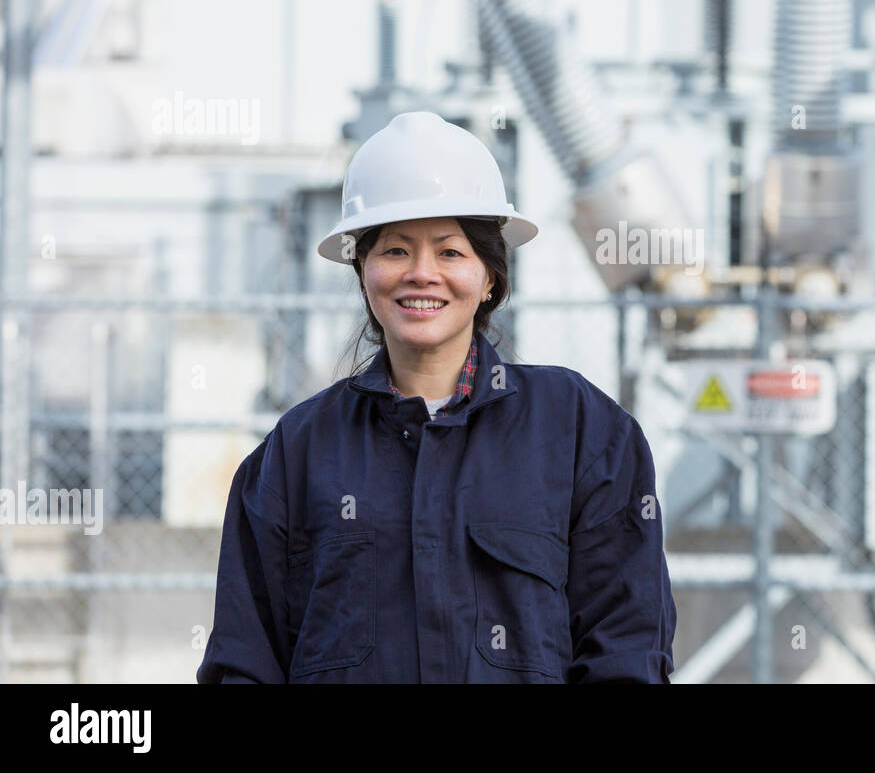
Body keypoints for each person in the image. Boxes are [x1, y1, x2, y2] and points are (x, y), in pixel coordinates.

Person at [196, 111, 676, 683]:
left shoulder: (579, 431)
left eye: (450, 252)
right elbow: (246, 662)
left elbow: (627, 646)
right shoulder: (297, 452)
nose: (422, 274)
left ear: (489, 276)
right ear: (364, 270)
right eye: (396, 251)